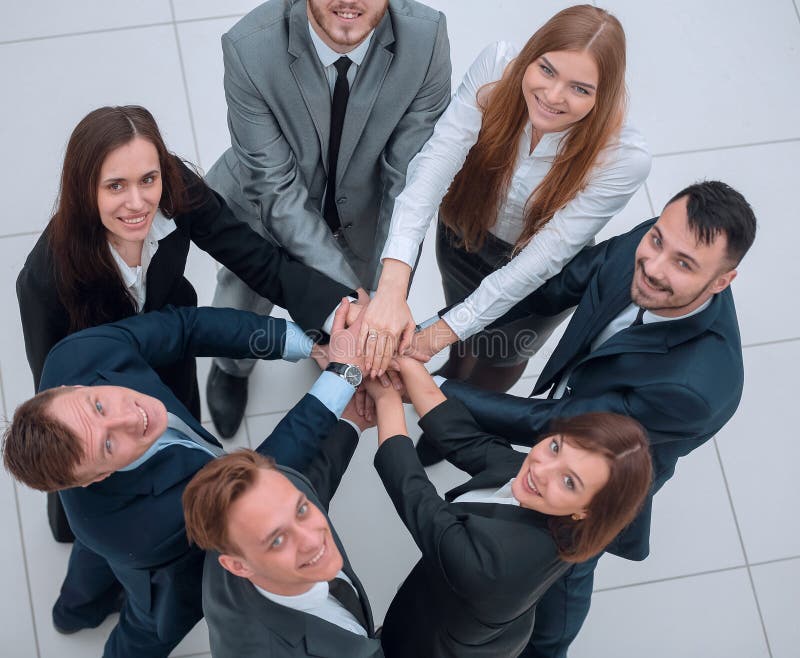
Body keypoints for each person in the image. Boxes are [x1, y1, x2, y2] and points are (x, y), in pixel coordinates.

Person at [423, 180, 757, 657]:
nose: (654, 267)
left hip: (604, 473)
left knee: (566, 561)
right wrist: (443, 328)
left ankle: (547, 650)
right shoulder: (652, 242)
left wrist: (431, 390)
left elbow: (557, 421)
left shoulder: (696, 388)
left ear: (722, 281)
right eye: (659, 240)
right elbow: (555, 287)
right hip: (569, 414)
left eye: (684, 264)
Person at [16, 105, 357, 542]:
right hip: (99, 384)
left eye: (148, 179)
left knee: (180, 428)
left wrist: (334, 312)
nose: (138, 203)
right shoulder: (45, 280)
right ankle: (69, 523)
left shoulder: (175, 187)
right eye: (115, 186)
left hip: (172, 341)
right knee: (84, 478)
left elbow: (251, 256)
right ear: (85, 190)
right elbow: (49, 387)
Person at [1, 303, 367, 658]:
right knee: (148, 630)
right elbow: (256, 480)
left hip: (101, 523)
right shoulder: (149, 526)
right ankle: (81, 619)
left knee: (91, 553)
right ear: (97, 476)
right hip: (152, 554)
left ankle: (73, 609)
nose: (131, 417)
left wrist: (311, 345)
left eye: (99, 406)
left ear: (71, 388)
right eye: (108, 444)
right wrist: (343, 377)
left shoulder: (77, 356)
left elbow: (186, 327)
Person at [361, 4, 651, 392]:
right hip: (465, 231)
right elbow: (433, 167)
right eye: (546, 69)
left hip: (541, 273)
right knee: (460, 322)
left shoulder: (623, 158)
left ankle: (466, 408)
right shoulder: (498, 67)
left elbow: (541, 260)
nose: (552, 96)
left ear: (604, 95)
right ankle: (453, 374)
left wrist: (433, 335)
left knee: (503, 354)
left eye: (580, 89)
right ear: (531, 54)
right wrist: (393, 285)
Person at [205, 0, 452, 437]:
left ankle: (332, 339)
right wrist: (353, 303)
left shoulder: (427, 38)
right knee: (240, 305)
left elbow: (408, 180)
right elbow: (276, 190)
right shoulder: (248, 47)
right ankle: (233, 366)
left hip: (365, 216)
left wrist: (381, 298)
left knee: (355, 308)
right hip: (264, 208)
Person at [361, 356, 651, 657]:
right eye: (555, 447)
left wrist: (386, 399)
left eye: (569, 482)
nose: (541, 470)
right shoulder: (551, 502)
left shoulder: (497, 565)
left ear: (586, 511)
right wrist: (403, 364)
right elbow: (467, 439)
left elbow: (414, 495)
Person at [183, 446, 383, 657]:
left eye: (301, 510)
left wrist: (352, 424)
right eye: (277, 540)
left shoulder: (279, 491)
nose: (313, 541)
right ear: (239, 566)